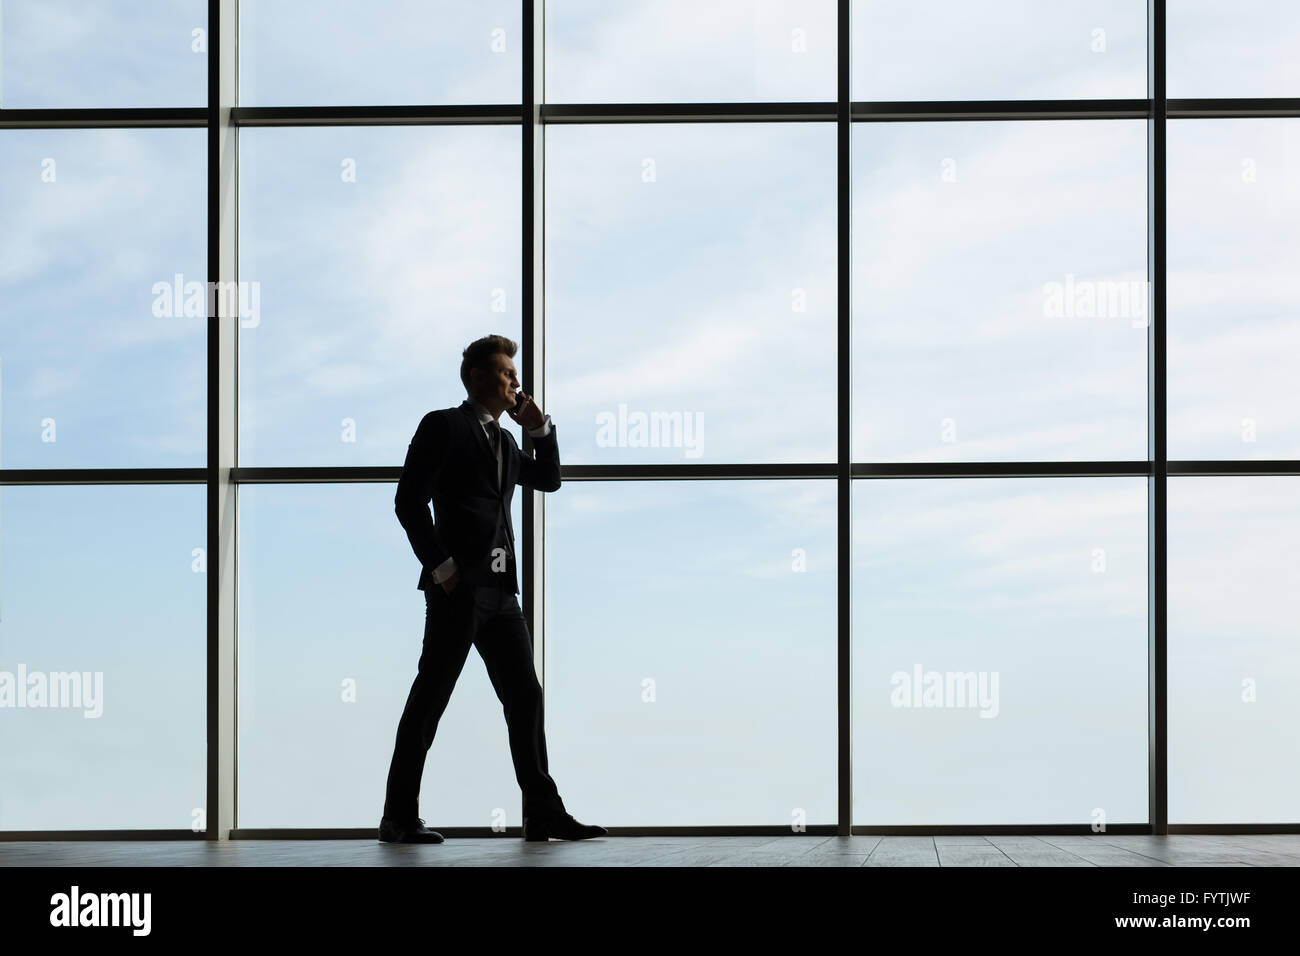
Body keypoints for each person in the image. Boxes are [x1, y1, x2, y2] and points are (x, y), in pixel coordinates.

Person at [379, 334, 606, 843]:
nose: (515, 382)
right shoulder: (443, 426)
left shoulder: (505, 442)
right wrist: (442, 569)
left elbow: (549, 480)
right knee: (430, 699)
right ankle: (397, 817)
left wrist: (541, 428)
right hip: (459, 589)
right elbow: (408, 502)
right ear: (478, 377)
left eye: (514, 375)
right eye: (506, 373)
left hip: (503, 592)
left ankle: (543, 813)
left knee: (525, 697)